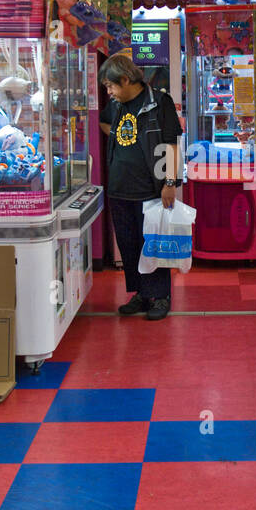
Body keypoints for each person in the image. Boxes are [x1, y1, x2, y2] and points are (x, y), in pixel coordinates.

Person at [98, 54, 182, 321]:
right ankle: (141, 294)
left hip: (149, 188)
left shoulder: (159, 102)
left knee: (153, 244)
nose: (109, 92)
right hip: (119, 188)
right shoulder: (117, 105)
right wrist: (118, 136)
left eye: (111, 86)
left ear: (125, 79)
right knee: (129, 245)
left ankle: (160, 296)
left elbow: (171, 144)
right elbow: (104, 122)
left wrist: (170, 182)